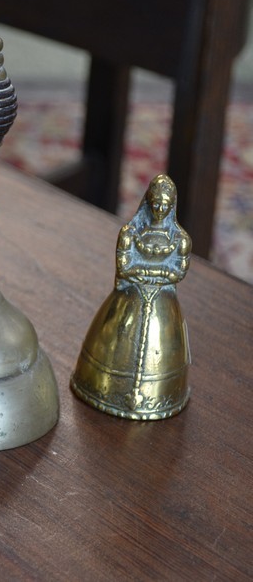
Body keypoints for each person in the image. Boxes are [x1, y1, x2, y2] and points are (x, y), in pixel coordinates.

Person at [71, 174, 192, 420]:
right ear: (148, 201)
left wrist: (145, 274)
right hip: (129, 302)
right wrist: (158, 274)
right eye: (155, 203)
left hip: (162, 306)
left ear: (172, 205)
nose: (159, 209)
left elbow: (178, 272)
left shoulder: (180, 240)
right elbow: (125, 267)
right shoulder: (130, 233)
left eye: (165, 204)